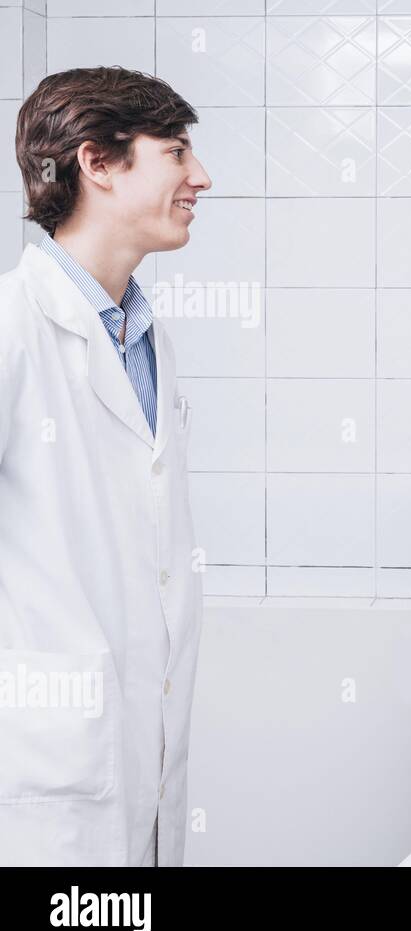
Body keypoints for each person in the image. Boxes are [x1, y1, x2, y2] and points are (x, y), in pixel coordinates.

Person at [0, 67, 211, 865]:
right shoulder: (13, 327)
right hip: (45, 770)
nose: (201, 178)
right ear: (97, 163)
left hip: (138, 759)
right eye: (176, 151)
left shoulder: (150, 339)